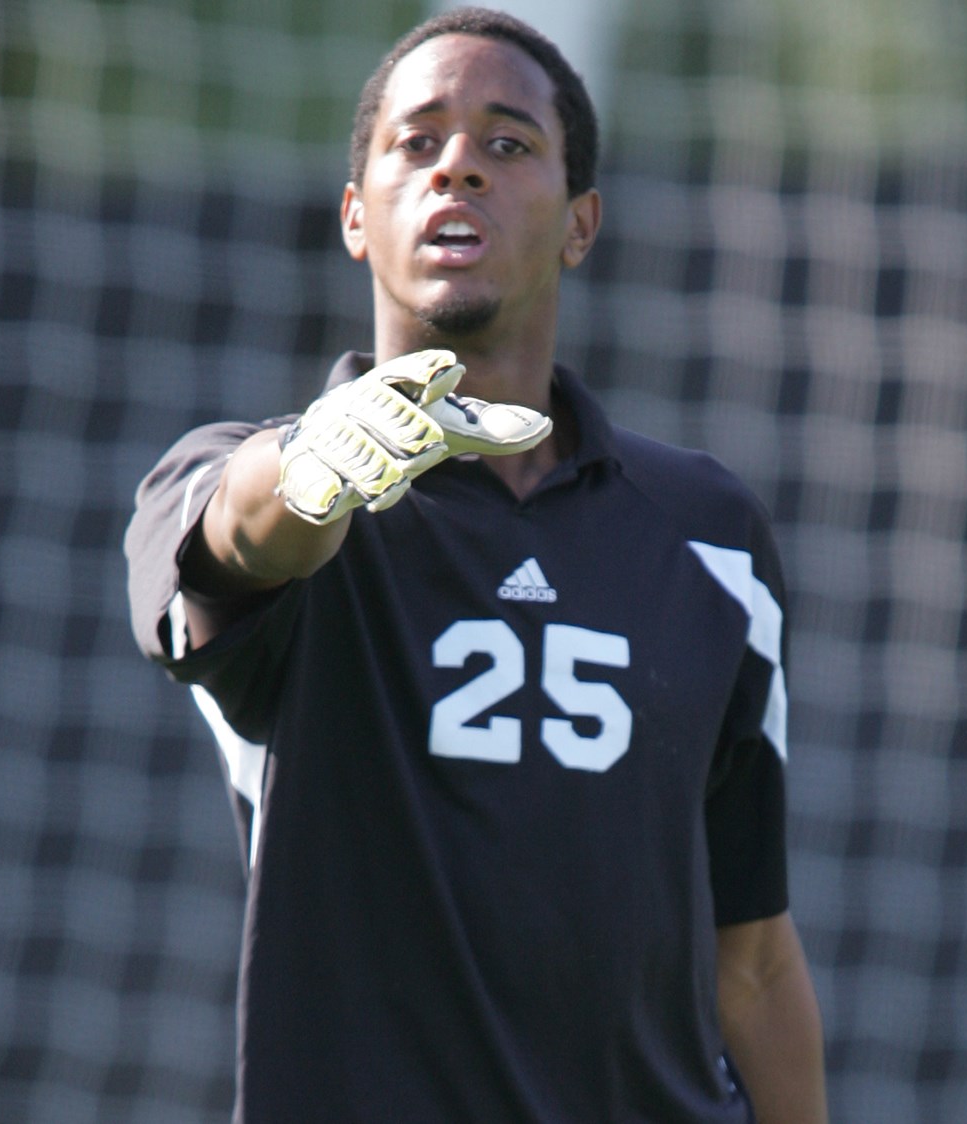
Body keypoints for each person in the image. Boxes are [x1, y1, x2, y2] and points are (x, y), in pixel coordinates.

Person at [124, 8, 826, 1121]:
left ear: (580, 222)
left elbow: (751, 957)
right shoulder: (237, 481)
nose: (457, 164)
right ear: (356, 217)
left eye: (506, 143)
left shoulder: (708, 534)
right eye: (417, 142)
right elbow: (245, 532)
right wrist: (313, 471)